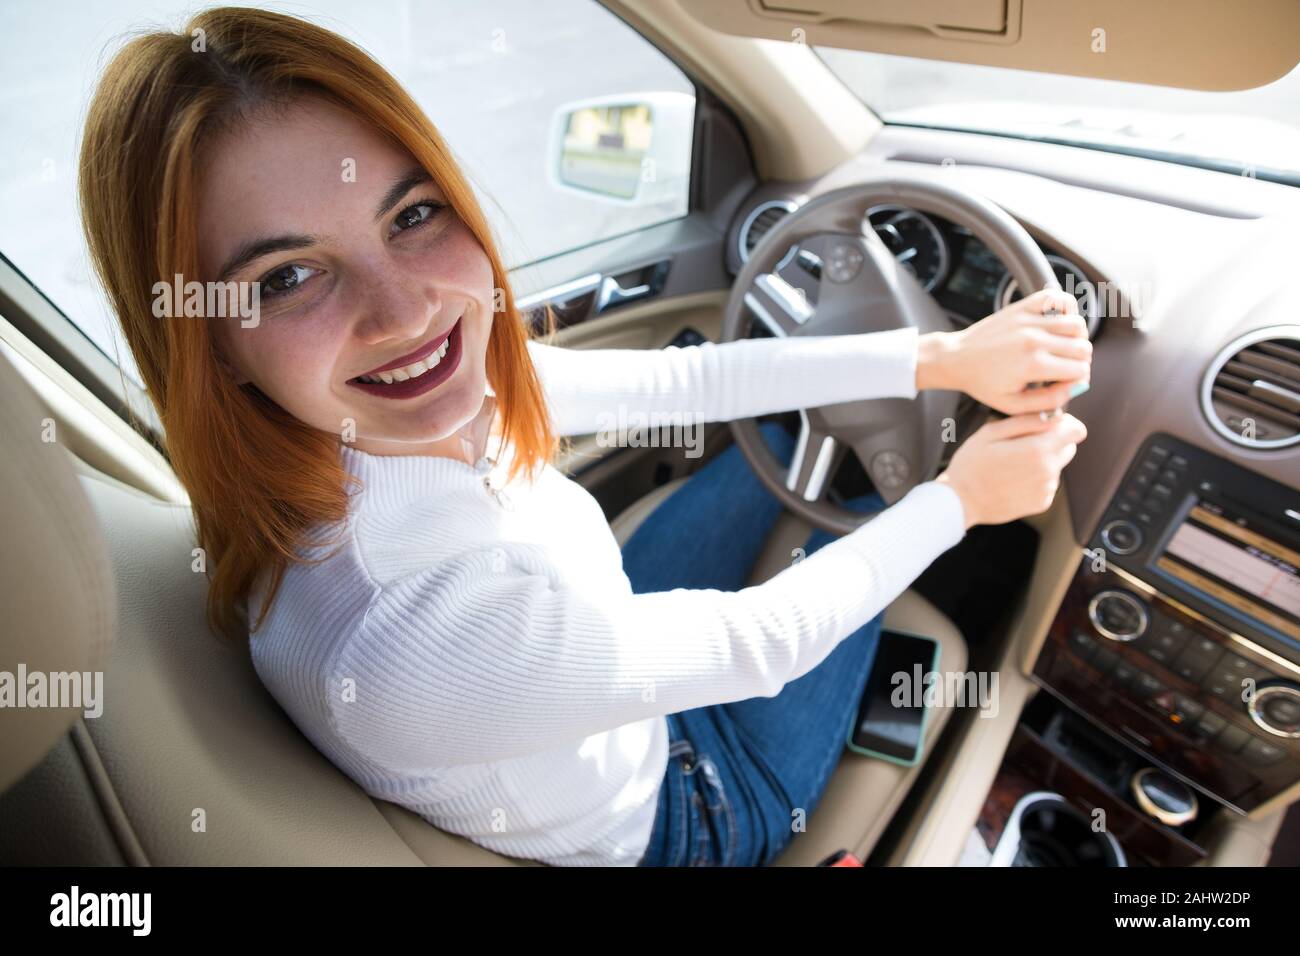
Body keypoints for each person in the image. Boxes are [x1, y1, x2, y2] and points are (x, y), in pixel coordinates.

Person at [77, 6, 1090, 867]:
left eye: (415, 213)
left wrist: (937, 361)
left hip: (603, 657)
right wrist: (958, 498)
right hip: (687, 804)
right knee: (873, 485)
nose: (404, 312)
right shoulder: (408, 636)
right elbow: (762, 643)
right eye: (287, 276)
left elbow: (675, 379)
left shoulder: (385, 417)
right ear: (206, 344)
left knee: (795, 447)